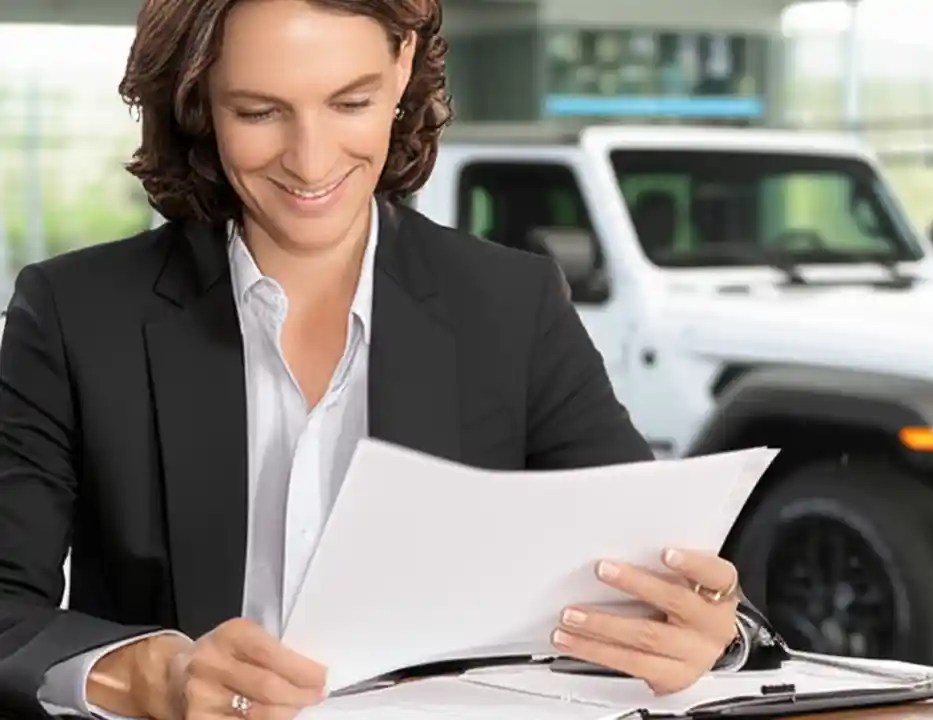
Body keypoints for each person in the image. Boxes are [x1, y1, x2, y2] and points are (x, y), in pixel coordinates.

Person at [0, 1, 752, 718]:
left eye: (350, 103)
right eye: (260, 112)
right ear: (197, 102)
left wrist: (714, 632)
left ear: (402, 66)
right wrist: (152, 677)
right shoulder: (74, 314)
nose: (311, 159)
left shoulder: (511, 304)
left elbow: (665, 560)